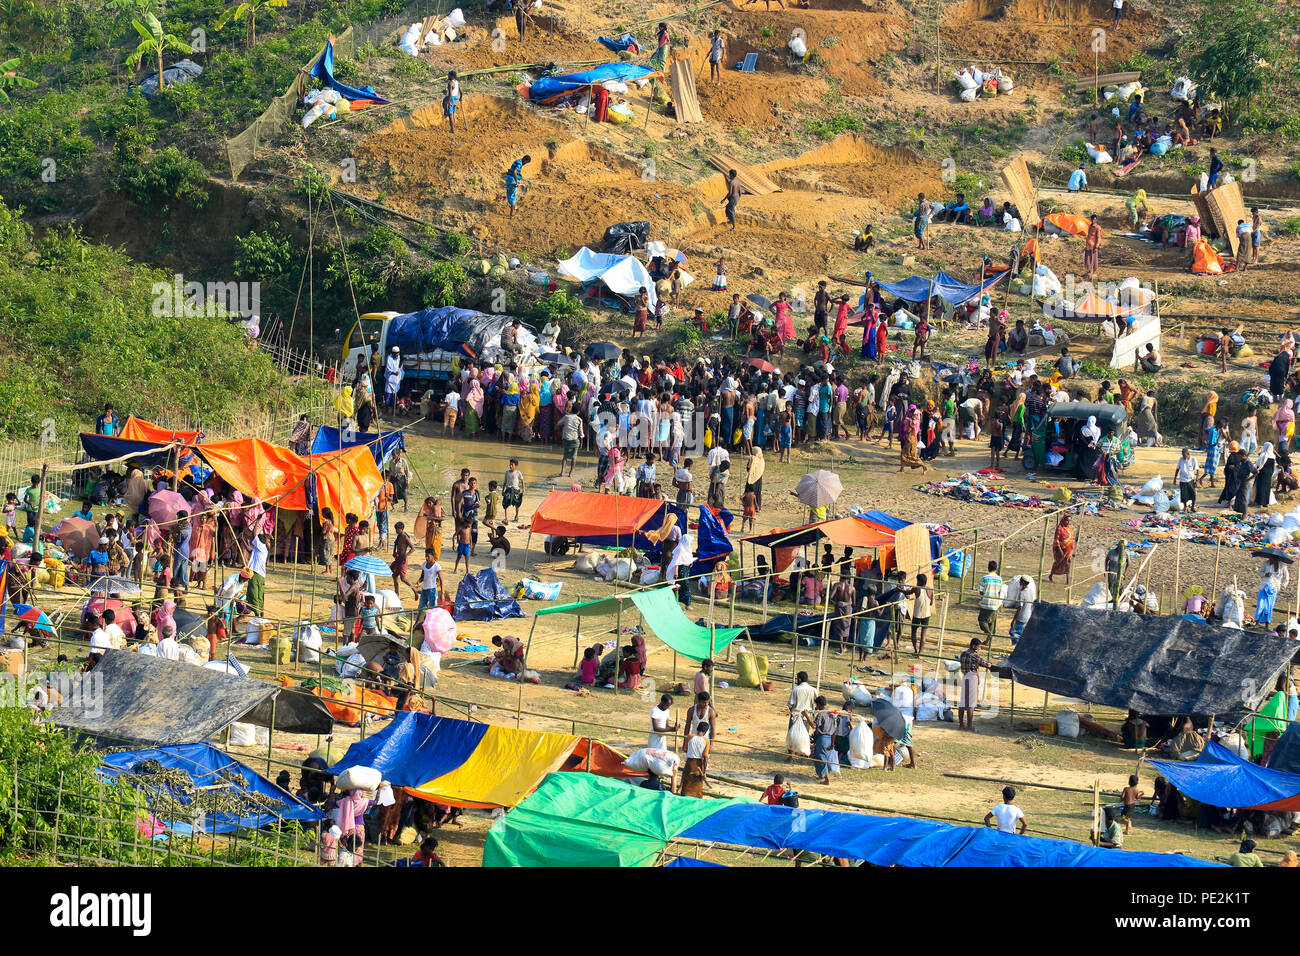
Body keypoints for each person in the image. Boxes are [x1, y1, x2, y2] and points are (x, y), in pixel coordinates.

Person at [958, 638, 989, 732]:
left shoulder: (963, 653)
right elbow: (985, 664)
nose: (979, 649)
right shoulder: (974, 656)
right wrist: (990, 663)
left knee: (963, 702)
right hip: (972, 678)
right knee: (971, 703)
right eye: (978, 647)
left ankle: (961, 725)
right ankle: (969, 726)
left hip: (965, 677)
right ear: (973, 646)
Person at [787, 670, 816, 758]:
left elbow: (790, 704)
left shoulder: (796, 689)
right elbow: (815, 704)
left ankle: (791, 754)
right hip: (807, 717)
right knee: (804, 736)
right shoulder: (813, 690)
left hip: (795, 716)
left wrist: (793, 711)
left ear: (799, 679)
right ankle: (802, 754)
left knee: (792, 735)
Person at [679, 721, 711, 797]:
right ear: (705, 731)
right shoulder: (706, 741)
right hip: (699, 764)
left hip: (689, 762)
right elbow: (705, 756)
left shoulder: (689, 737)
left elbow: (685, 749)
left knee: (687, 781)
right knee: (697, 784)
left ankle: (684, 795)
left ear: (697, 728)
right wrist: (704, 770)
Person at [811, 696, 837, 785]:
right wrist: (833, 743)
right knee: (824, 757)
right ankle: (821, 775)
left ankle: (826, 779)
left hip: (822, 738)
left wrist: (806, 715)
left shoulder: (821, 714)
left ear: (818, 704)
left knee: (821, 758)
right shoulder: (831, 714)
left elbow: (814, 726)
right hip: (830, 739)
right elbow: (834, 730)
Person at [977, 560, 1003, 639]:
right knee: (991, 623)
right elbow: (999, 592)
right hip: (995, 604)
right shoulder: (999, 579)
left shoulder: (984, 578)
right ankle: (988, 641)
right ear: (996, 569)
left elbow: (981, 592)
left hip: (985, 603)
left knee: (982, 620)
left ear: (988, 568)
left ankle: (988, 634)